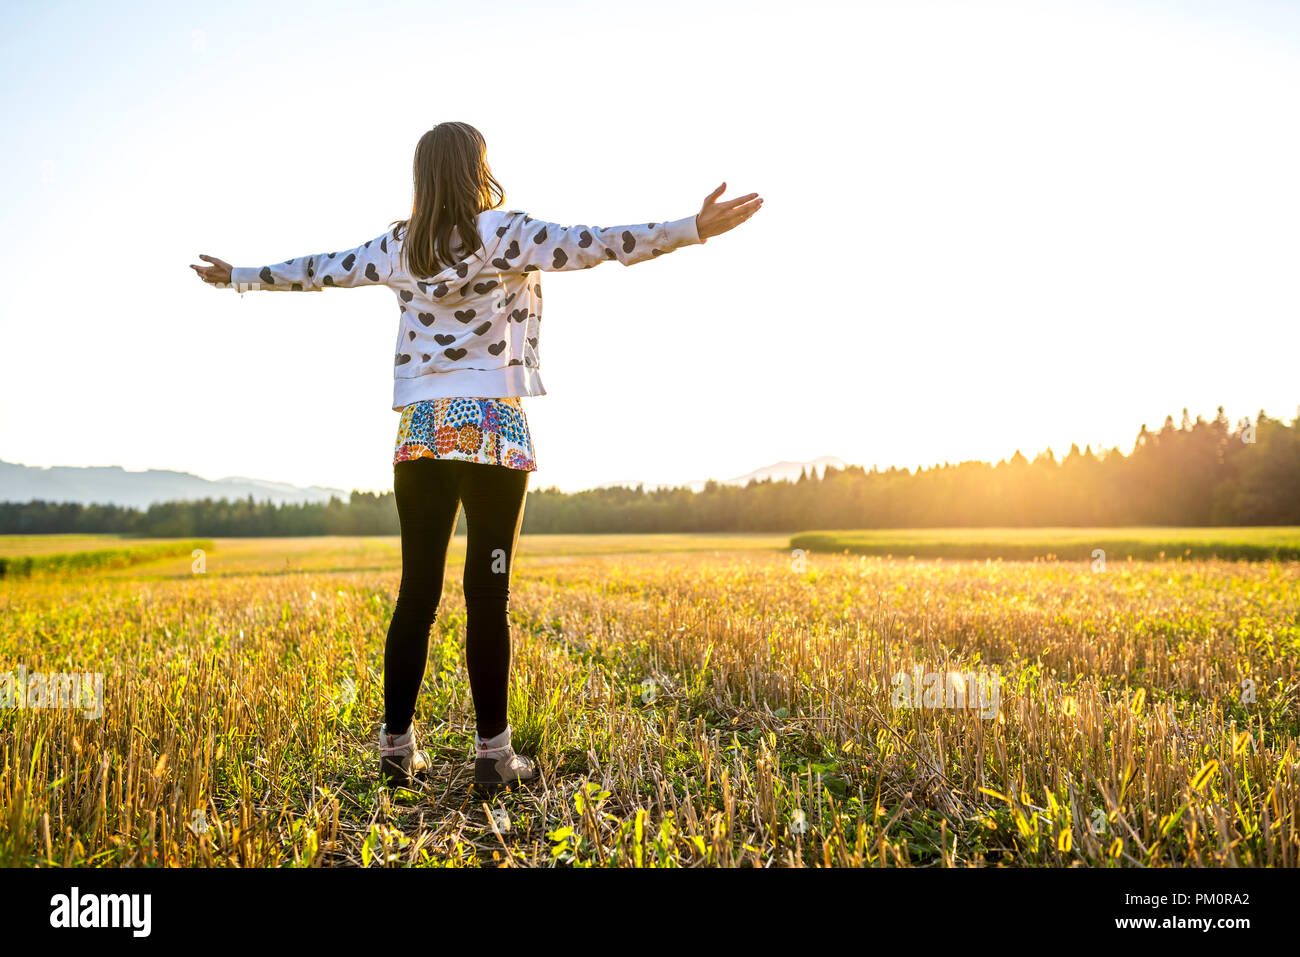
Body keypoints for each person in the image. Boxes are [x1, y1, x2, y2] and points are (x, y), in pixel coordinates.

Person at [190, 120, 763, 791]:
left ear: (422, 176)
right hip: (491, 426)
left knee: (417, 593)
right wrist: (689, 228)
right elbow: (601, 244)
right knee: (486, 593)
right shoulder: (508, 232)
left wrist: (242, 278)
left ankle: (397, 746)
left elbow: (319, 270)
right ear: (477, 169)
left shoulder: (399, 247)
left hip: (425, 431)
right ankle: (494, 755)